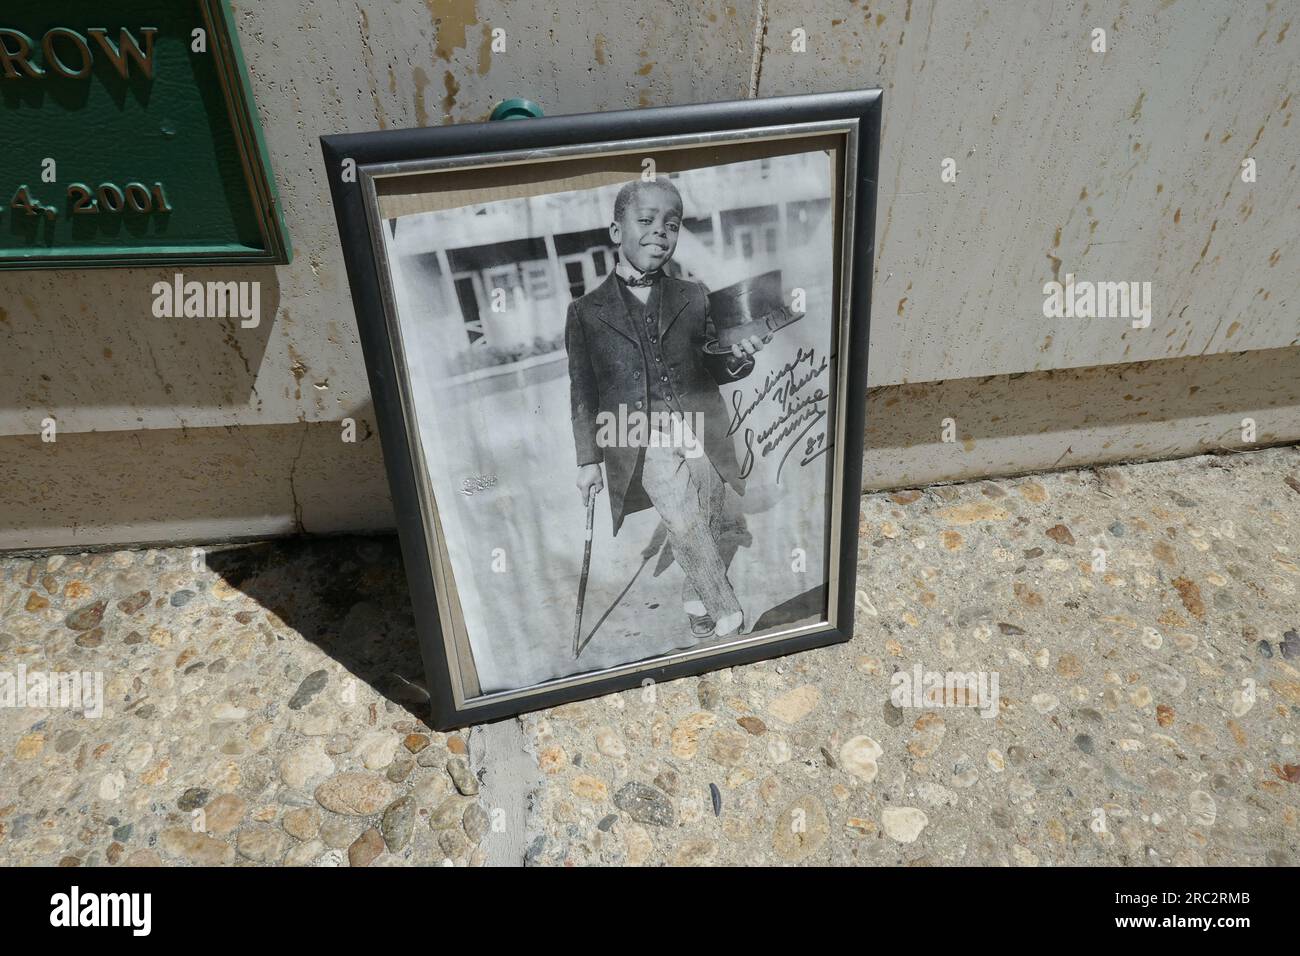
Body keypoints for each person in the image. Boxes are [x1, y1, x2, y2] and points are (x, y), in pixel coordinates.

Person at [565, 177, 766, 641]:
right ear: (617, 232)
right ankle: (727, 612)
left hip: (698, 421)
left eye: (671, 224)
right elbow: (582, 391)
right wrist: (587, 459)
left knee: (711, 513)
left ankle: (694, 597)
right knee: (682, 517)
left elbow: (715, 359)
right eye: (646, 220)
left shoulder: (692, 295)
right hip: (634, 431)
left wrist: (740, 355)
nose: (660, 231)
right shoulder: (585, 311)